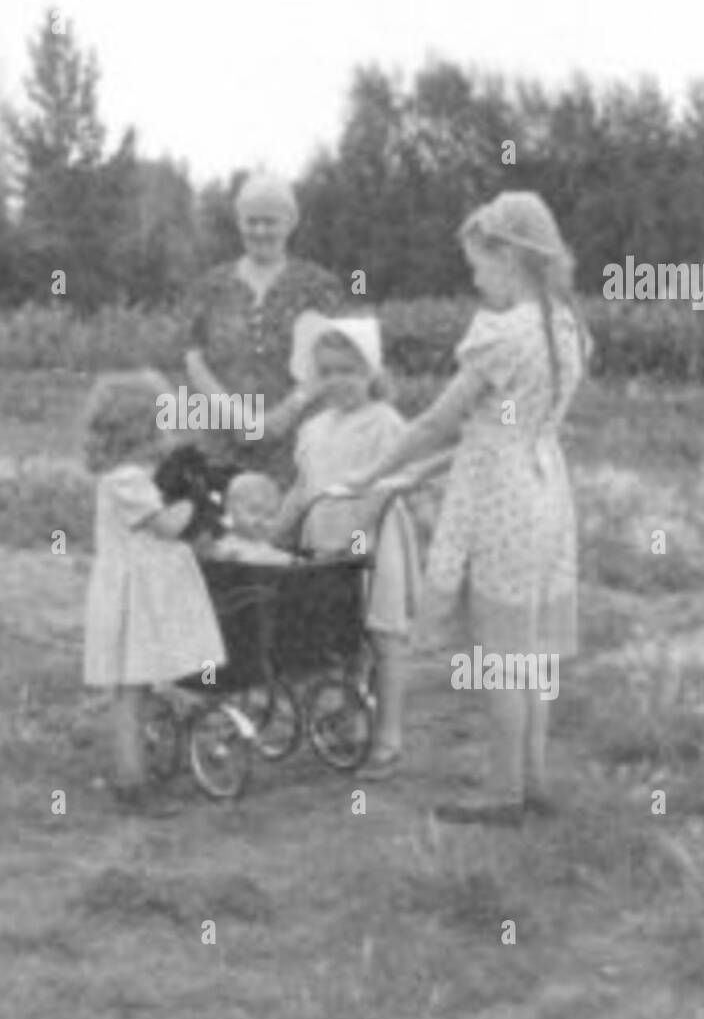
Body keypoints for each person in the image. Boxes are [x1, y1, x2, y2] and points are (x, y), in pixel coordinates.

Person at [340, 193, 590, 823]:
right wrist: (415, 474)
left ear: (508, 256)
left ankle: (503, 792)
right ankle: (531, 781)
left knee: (501, 653)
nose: (475, 278)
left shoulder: (501, 334)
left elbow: (436, 422)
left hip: (502, 499)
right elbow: (497, 430)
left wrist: (371, 473)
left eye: (479, 264)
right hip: (545, 488)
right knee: (529, 651)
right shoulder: (564, 324)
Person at [272, 313, 422, 778]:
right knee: (340, 636)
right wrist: (277, 532)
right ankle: (350, 721)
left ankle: (389, 738)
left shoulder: (384, 422)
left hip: (373, 542)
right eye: (328, 372)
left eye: (349, 371)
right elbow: (302, 487)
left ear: (372, 373)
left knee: (383, 635)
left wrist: (357, 535)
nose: (338, 381)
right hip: (325, 542)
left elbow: (388, 485)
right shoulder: (314, 429)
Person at [82, 370, 227, 815]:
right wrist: (198, 500)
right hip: (136, 596)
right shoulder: (125, 480)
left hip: (149, 590)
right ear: (140, 429)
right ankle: (131, 781)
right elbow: (166, 526)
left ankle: (142, 764)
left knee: (140, 683)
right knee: (131, 687)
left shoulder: (140, 475)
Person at [183, 171, 347, 480]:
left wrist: (286, 412)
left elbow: (333, 358)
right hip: (224, 442)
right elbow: (194, 357)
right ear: (239, 222)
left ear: (290, 222)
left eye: (270, 221)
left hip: (300, 440)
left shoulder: (319, 287)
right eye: (251, 221)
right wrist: (235, 416)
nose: (260, 230)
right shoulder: (210, 285)